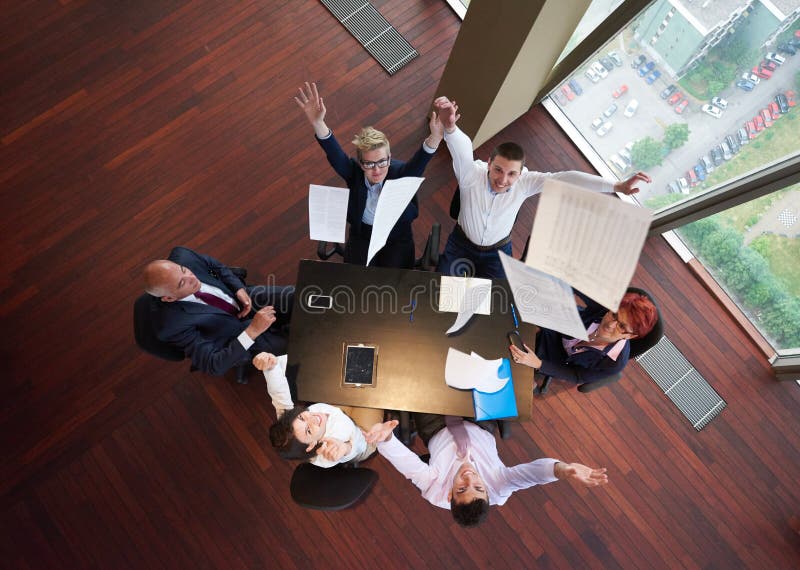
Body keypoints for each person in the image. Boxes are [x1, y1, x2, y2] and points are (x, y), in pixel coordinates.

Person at [432, 96, 652, 278]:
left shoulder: (526, 183)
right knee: (442, 295)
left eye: (512, 174)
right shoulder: (471, 174)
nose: (503, 179)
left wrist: (617, 186)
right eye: (498, 169)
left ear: (521, 174)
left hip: (497, 252)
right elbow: (462, 150)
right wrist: (450, 127)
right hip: (461, 245)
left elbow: (568, 179)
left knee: (492, 304)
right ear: (489, 164)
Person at [363, 414, 608, 528]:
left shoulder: (434, 490)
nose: (469, 478)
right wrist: (564, 470)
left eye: (462, 489)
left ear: (449, 495)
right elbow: (533, 475)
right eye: (478, 487)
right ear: (487, 492)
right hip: (480, 420)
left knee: (424, 371)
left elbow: (406, 463)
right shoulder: (499, 488)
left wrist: (386, 439)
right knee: (477, 360)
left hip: (436, 425)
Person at [295, 82, 444, 268]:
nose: (377, 170)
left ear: (389, 157)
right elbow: (336, 155)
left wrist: (435, 137)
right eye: (369, 164)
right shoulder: (355, 173)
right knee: (357, 277)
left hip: (396, 236)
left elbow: (419, 162)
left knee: (394, 280)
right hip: (363, 235)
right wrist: (318, 123)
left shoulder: (399, 173)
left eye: (382, 162)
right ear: (360, 163)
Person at [143, 246, 293, 376]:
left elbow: (215, 265)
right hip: (235, 336)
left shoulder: (183, 256)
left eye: (184, 270)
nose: (192, 277)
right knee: (296, 345)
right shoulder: (171, 326)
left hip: (242, 299)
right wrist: (253, 330)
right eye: (182, 283)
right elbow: (214, 365)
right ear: (169, 298)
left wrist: (238, 288)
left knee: (296, 297)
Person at [509, 290, 658, 393]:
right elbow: (573, 285)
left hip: (562, 362)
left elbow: (577, 375)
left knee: (516, 378)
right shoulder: (601, 309)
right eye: (614, 315)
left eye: (622, 326)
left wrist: (538, 364)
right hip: (557, 332)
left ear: (630, 336)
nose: (610, 324)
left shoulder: (614, 363)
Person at [255, 352, 387, 467]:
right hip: (362, 438)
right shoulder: (327, 455)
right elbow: (360, 446)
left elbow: (278, 393)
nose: (312, 419)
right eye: (308, 430)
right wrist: (347, 448)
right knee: (375, 388)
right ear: (312, 445)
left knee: (353, 374)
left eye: (301, 417)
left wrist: (270, 366)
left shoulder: (290, 425)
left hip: (340, 412)